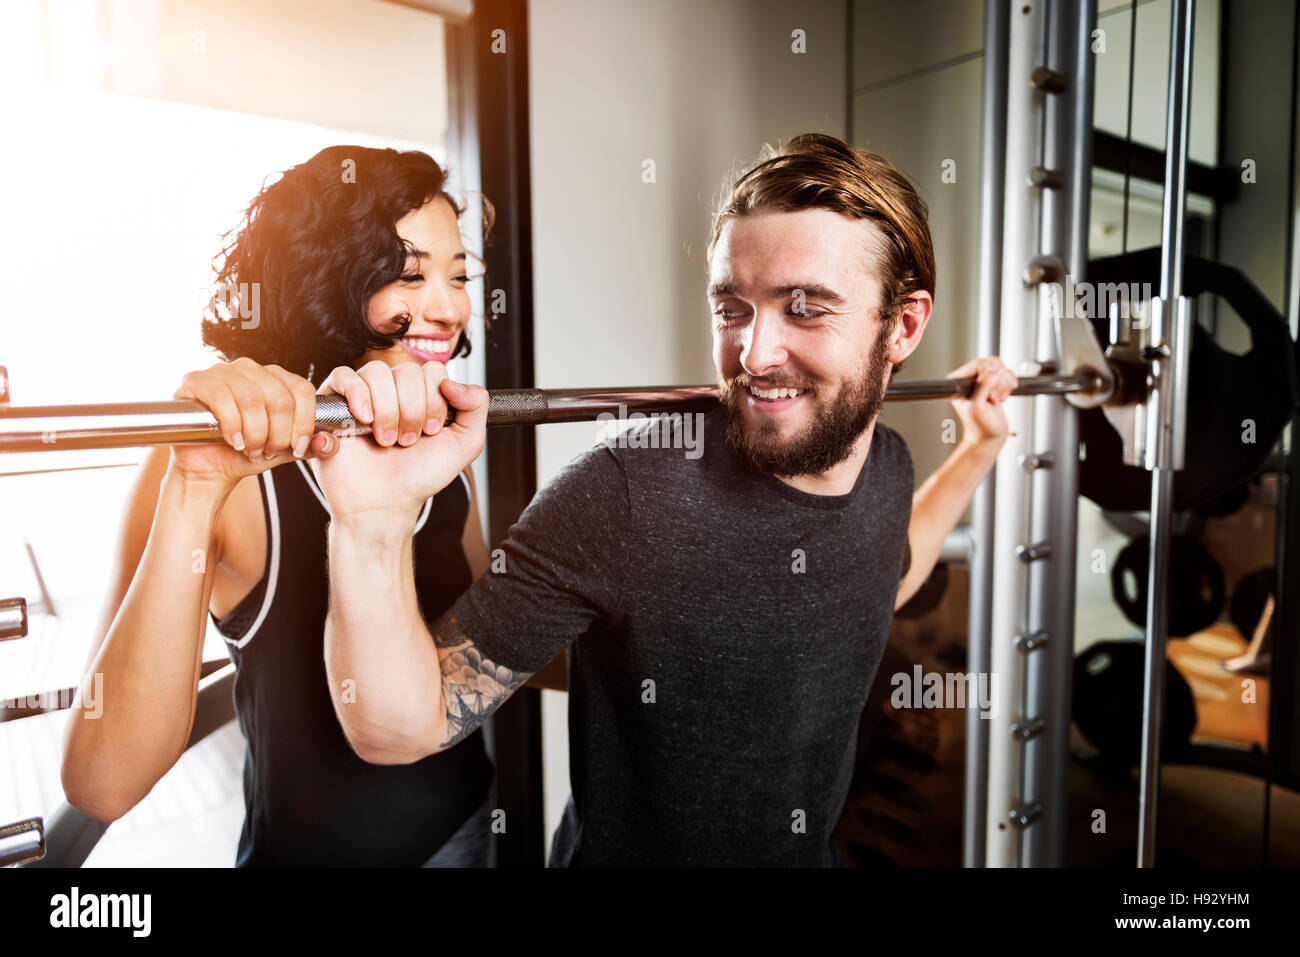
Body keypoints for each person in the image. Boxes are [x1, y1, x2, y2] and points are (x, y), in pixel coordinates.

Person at [315, 133, 1019, 866]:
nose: (753, 355)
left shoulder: (889, 467)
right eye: (732, 308)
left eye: (805, 309)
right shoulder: (625, 495)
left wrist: (980, 449)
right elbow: (399, 726)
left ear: (902, 325)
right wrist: (371, 521)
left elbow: (885, 573)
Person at [58, 146, 557, 866]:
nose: (448, 310)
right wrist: (194, 484)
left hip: (466, 834)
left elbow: (488, 646)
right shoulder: (226, 485)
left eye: (457, 276)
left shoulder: (447, 472)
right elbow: (101, 782)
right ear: (325, 275)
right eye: (411, 274)